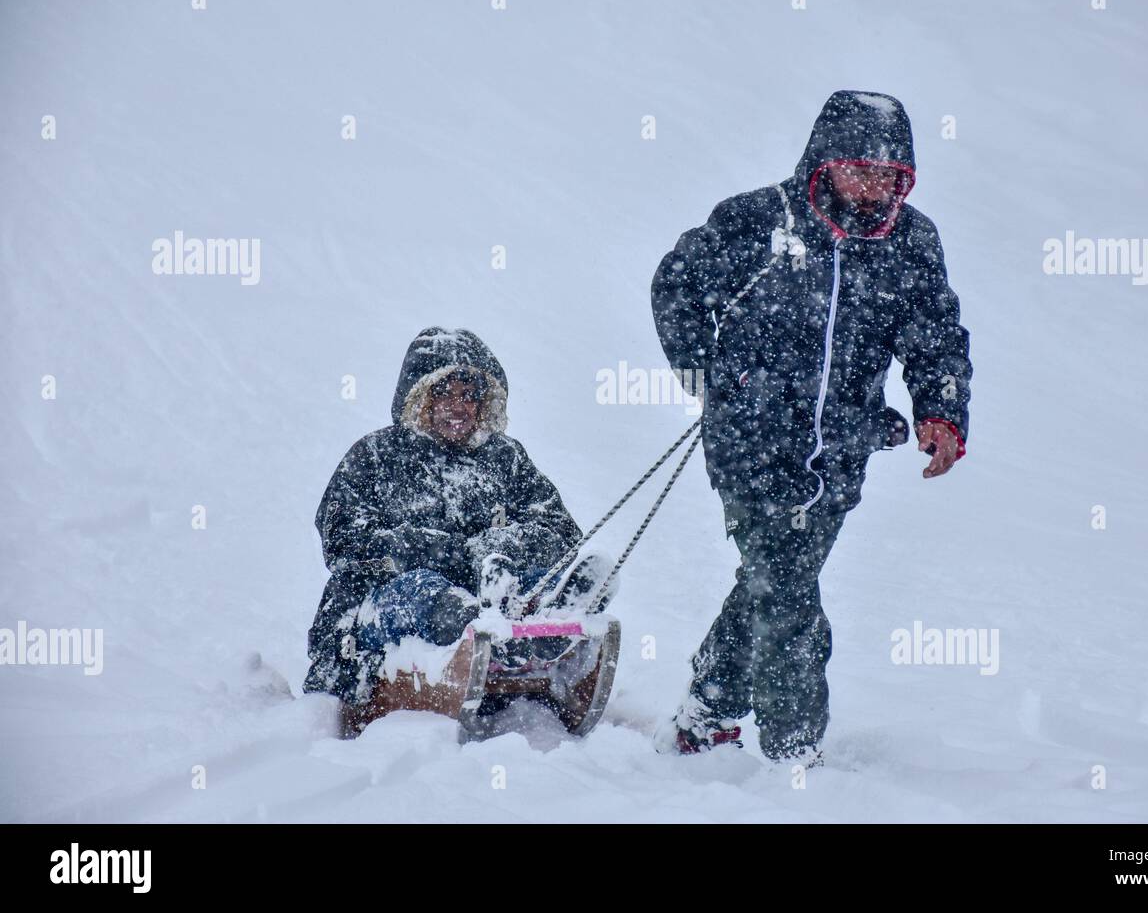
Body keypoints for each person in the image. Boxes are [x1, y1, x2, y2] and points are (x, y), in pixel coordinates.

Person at [649, 91, 974, 764]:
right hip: (751, 445)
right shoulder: (758, 222)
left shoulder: (912, 243)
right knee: (788, 590)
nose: (877, 187)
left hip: (842, 453)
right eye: (863, 170)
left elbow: (935, 335)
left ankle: (706, 709)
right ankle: (794, 748)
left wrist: (940, 411)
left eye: (892, 176)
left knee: (772, 583)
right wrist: (712, 378)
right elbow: (676, 284)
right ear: (825, 162)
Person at [302, 327, 609, 724]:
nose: (458, 406)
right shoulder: (377, 455)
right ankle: (489, 623)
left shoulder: (505, 458)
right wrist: (428, 550)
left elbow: (559, 531)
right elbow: (342, 535)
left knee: (534, 576)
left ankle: (549, 613)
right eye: (443, 393)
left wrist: (492, 548)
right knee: (425, 590)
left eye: (469, 395)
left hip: (488, 582)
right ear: (418, 397)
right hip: (383, 607)